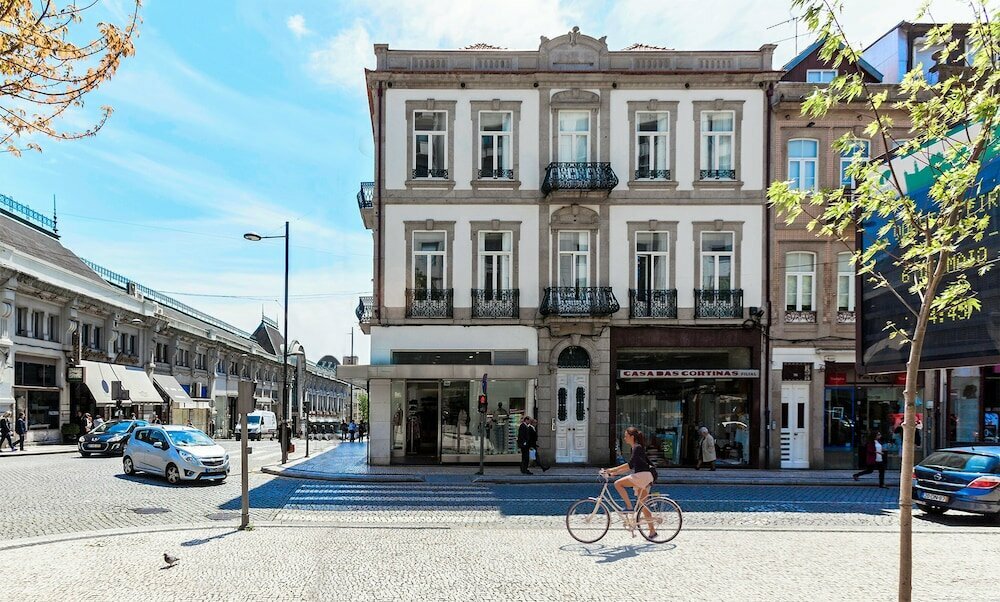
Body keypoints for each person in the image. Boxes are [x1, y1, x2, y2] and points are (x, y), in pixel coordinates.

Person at [601, 427, 657, 538]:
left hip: (643, 476)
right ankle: (652, 531)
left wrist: (612, 470)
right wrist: (614, 473)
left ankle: (629, 507)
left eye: (626, 436)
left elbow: (629, 465)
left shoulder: (637, 448)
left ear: (632, 437)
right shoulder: (636, 448)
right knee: (643, 505)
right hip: (646, 476)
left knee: (618, 484)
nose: (624, 438)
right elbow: (629, 467)